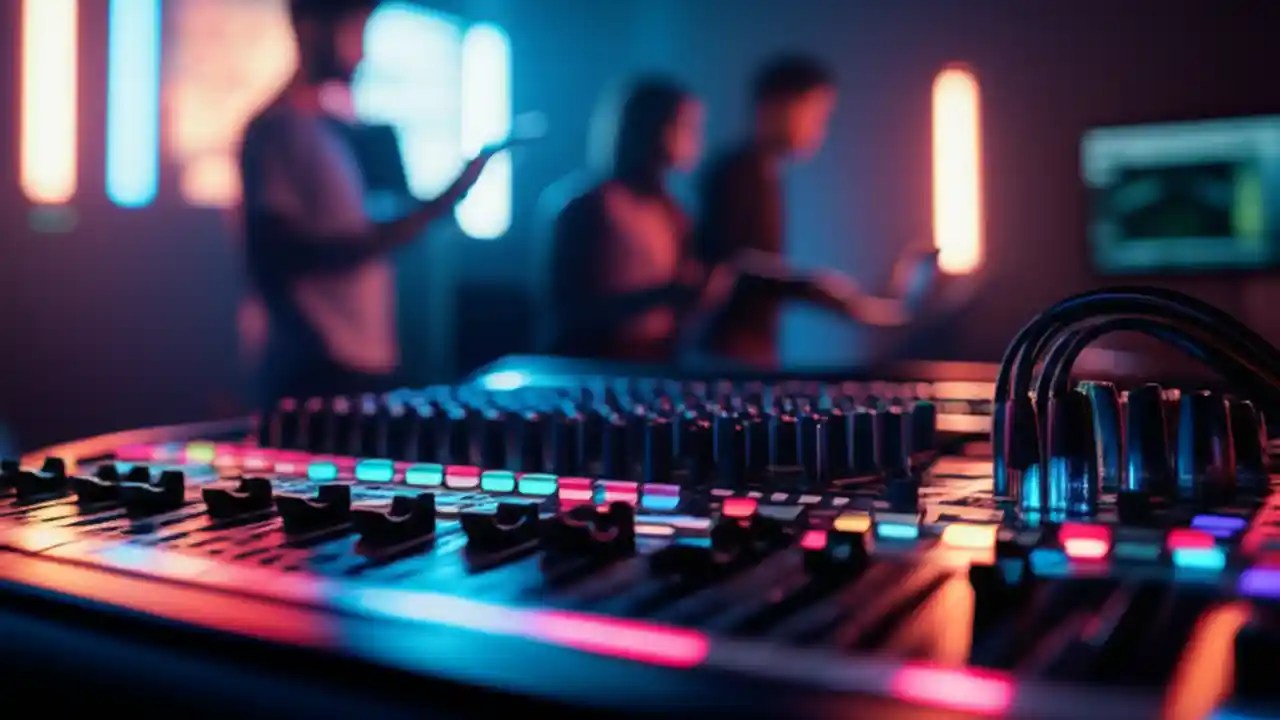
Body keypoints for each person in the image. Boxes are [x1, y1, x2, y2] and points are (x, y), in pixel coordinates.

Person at [239, 0, 499, 405]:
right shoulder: (277, 130)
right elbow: (278, 255)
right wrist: (434, 207)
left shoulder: (325, 128)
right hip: (318, 369)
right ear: (309, 28)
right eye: (355, 32)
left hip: (354, 364)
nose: (361, 52)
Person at [544, 77, 711, 362]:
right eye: (685, 127)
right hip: (595, 363)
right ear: (649, 127)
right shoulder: (588, 206)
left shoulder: (674, 212)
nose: (695, 140)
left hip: (657, 360)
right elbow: (569, 310)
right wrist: (663, 295)